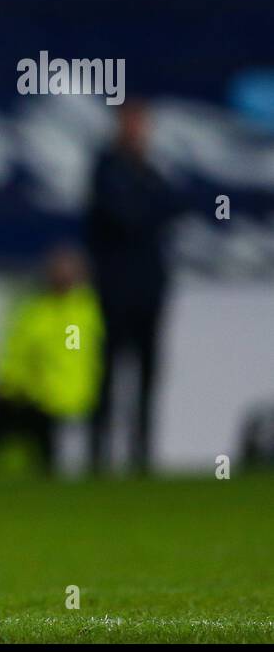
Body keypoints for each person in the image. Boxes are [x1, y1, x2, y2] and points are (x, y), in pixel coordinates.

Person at [84, 102, 185, 473]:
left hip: (149, 287)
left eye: (143, 123)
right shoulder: (106, 168)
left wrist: (149, 204)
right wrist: (150, 205)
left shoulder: (150, 169)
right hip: (114, 287)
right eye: (132, 122)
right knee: (109, 372)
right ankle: (98, 457)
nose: (138, 130)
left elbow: (176, 206)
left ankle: (141, 456)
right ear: (120, 125)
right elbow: (125, 216)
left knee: (147, 372)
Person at [0, 247, 103, 474]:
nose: (59, 276)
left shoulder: (79, 311)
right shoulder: (36, 307)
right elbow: (15, 351)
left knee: (40, 434)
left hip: (56, 398)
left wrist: (42, 385)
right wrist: (8, 383)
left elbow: (71, 355)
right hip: (28, 393)